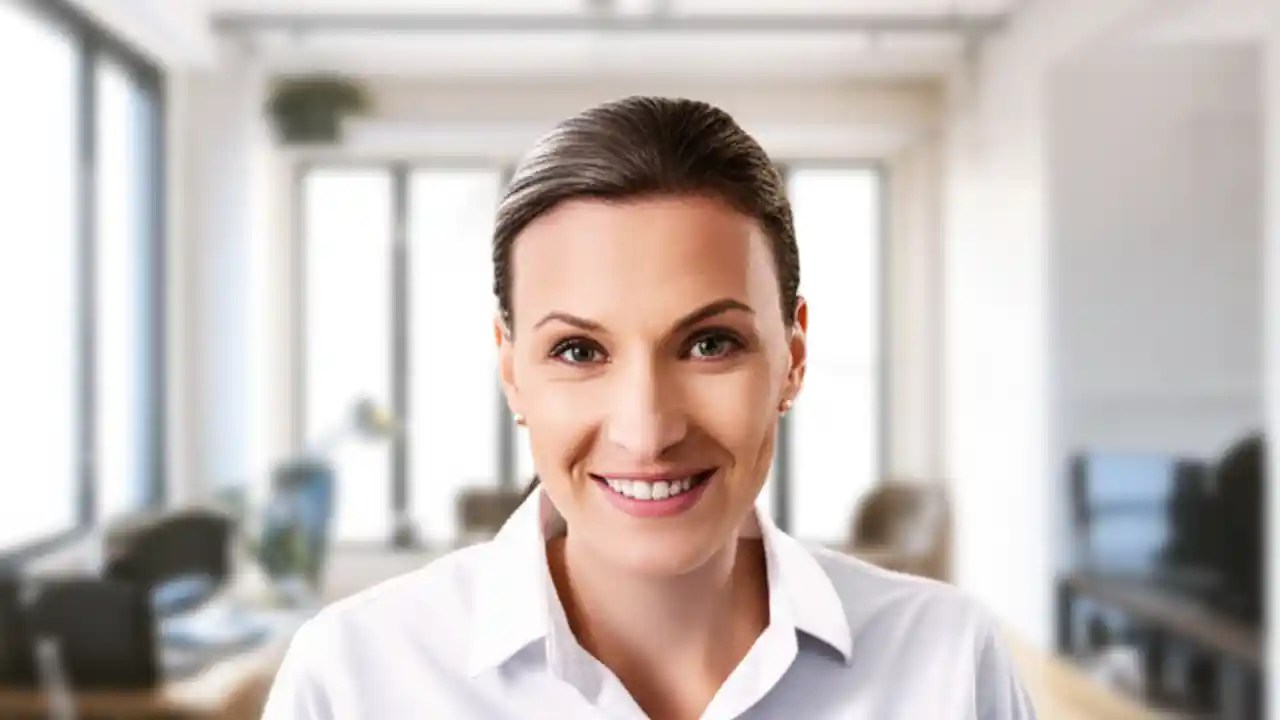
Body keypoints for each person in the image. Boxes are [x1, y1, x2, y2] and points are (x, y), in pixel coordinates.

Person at [261, 96, 1037, 719]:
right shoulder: (356, 679)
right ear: (511, 371)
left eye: (709, 344)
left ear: (792, 358)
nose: (647, 430)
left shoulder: (945, 663)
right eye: (578, 351)